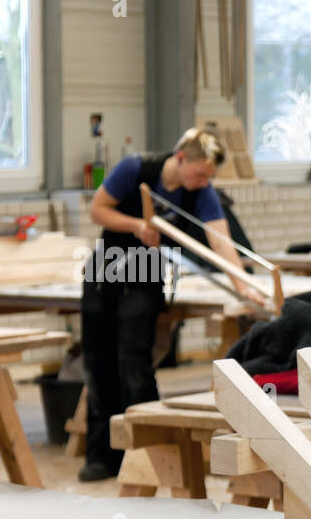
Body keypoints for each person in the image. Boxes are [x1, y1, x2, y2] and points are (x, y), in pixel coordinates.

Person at [81, 127, 263, 482]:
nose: (204, 182)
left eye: (209, 176)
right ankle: (101, 456)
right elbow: (97, 210)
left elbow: (220, 240)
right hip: (107, 267)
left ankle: (149, 454)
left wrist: (243, 284)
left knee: (135, 362)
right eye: (200, 174)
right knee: (97, 364)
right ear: (181, 158)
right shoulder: (135, 169)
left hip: (146, 272)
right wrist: (137, 226)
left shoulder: (202, 191)